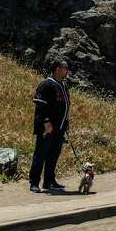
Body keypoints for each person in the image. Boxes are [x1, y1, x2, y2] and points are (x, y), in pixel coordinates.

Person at [29, 60, 71, 193]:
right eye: (65, 68)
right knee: (41, 154)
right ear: (57, 69)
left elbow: (64, 106)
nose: (67, 70)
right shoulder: (46, 84)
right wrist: (46, 123)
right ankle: (34, 182)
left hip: (59, 128)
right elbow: (40, 106)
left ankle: (49, 181)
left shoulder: (63, 85)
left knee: (53, 155)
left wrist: (65, 124)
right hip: (47, 127)